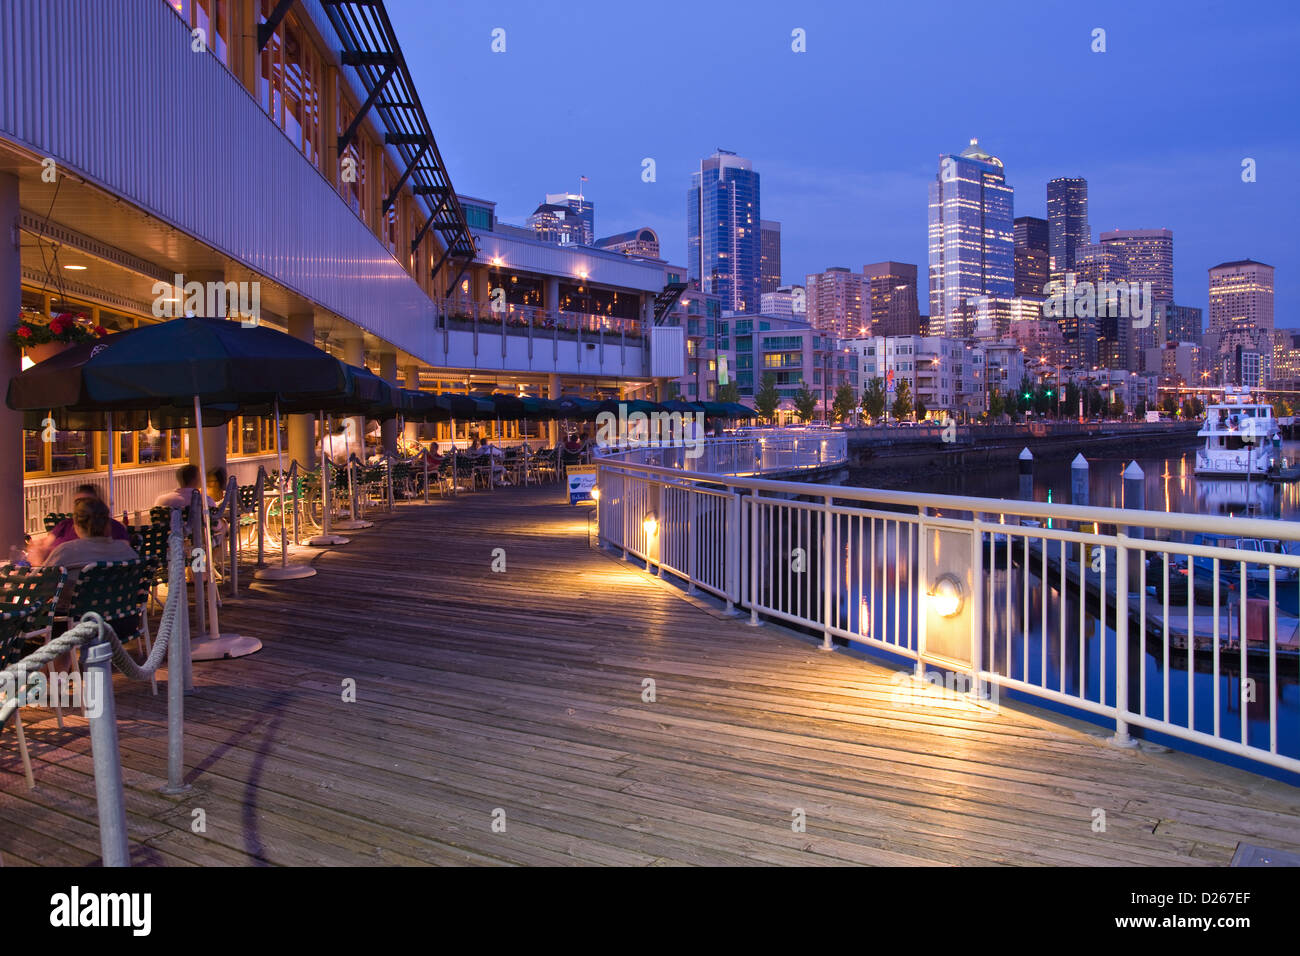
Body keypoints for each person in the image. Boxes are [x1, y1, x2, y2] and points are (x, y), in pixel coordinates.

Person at [27, 484, 129, 565]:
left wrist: (37, 563)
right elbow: (44, 546)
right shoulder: (126, 551)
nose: (82, 506)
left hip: (63, 585)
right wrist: (40, 548)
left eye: (88, 503)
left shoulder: (66, 550)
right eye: (78, 503)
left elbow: (44, 583)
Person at [44, 497, 139, 573]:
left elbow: (40, 585)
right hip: (117, 595)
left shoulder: (65, 551)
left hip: (77, 597)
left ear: (76, 526)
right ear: (108, 524)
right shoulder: (126, 550)